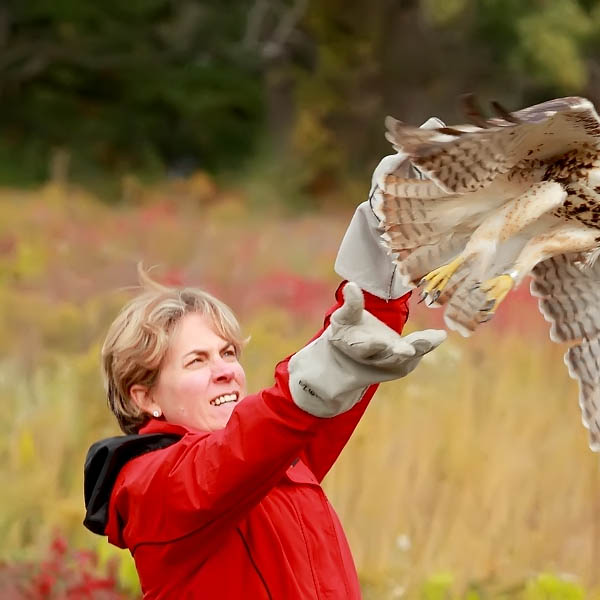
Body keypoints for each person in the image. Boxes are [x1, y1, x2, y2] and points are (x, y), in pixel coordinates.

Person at [82, 121, 447, 599]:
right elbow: (240, 447)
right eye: (195, 361)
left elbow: (308, 396)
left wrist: (387, 247)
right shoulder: (150, 487)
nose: (224, 370)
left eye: (228, 352)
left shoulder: (281, 458)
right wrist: (322, 371)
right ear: (144, 395)